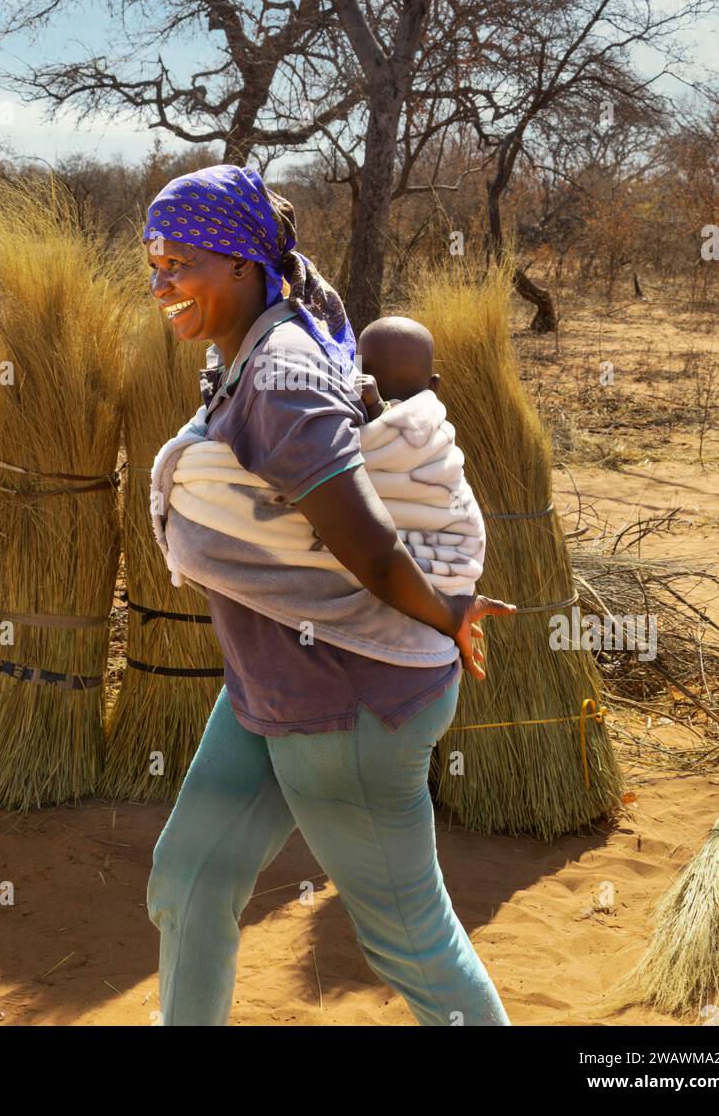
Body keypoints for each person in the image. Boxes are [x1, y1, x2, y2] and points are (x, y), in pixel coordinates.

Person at [143, 163, 515, 1027]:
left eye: (181, 264)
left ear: (243, 264)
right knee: (189, 881)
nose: (161, 285)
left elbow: (368, 545)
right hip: (273, 681)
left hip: (350, 700)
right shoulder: (242, 352)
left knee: (409, 938)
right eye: (154, 266)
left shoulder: (281, 376)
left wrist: (448, 613)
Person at [355, 314, 441, 418]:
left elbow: (392, 424)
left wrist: (376, 405)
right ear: (434, 385)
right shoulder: (438, 420)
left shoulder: (350, 413)